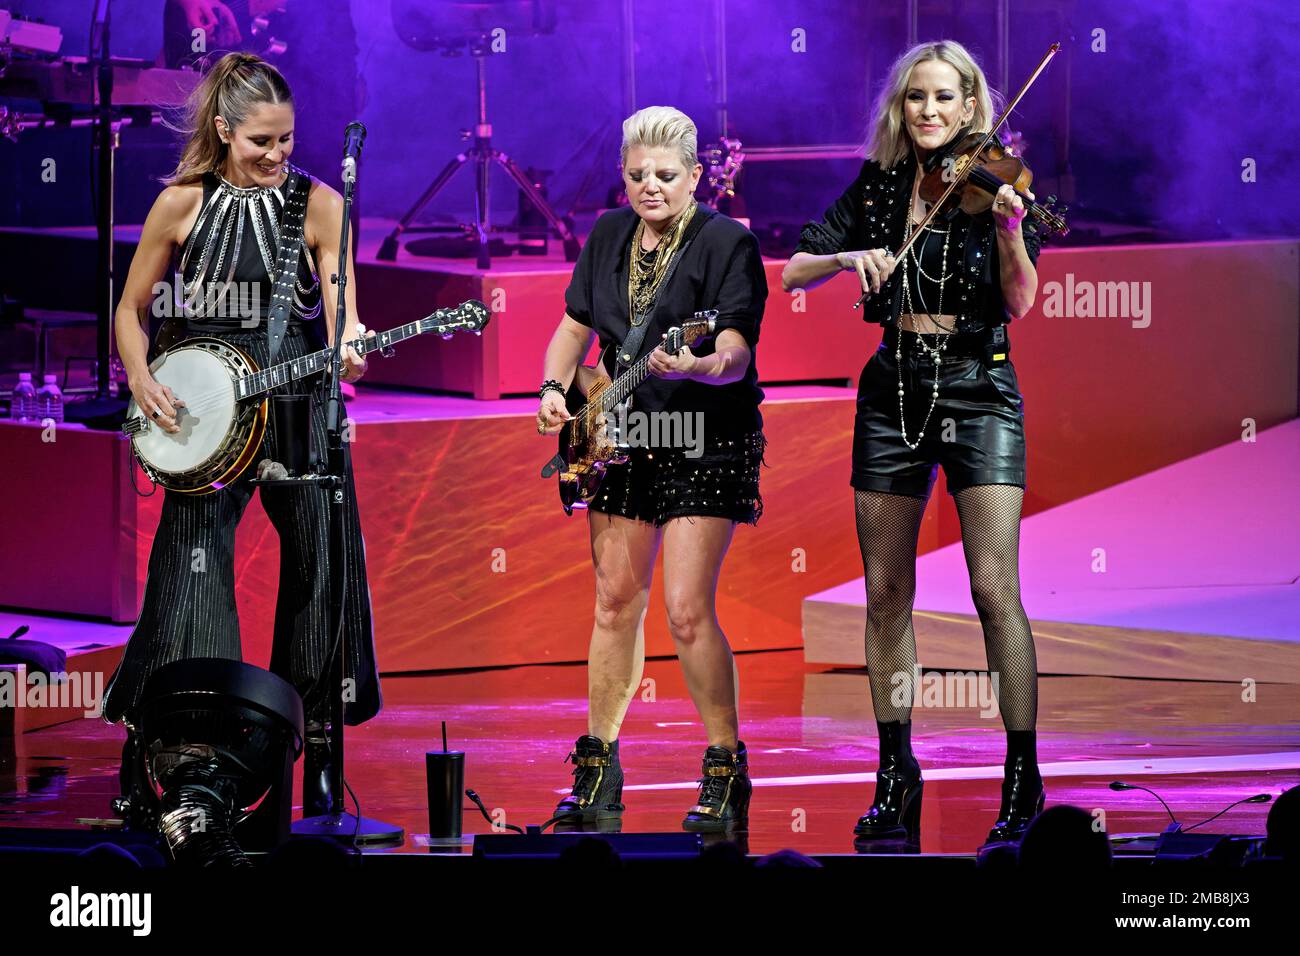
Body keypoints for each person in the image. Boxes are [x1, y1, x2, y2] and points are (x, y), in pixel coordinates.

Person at [102, 52, 381, 818]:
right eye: (261, 141)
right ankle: (180, 749)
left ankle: (313, 745)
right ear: (224, 131)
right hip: (203, 417)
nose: (277, 154)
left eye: (287, 139)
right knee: (190, 583)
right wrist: (142, 379)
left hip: (294, 400)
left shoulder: (320, 203)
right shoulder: (182, 203)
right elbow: (131, 313)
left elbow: (341, 305)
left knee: (321, 572)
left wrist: (349, 342)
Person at [782, 39, 1047, 846]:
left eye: (943, 98)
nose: (927, 112)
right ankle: (896, 768)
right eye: (913, 99)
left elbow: (1022, 300)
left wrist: (1009, 233)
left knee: (993, 587)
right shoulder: (879, 185)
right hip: (892, 389)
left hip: (980, 385)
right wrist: (842, 255)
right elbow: (791, 270)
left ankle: (1022, 773)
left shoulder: (994, 186)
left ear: (972, 107)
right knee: (885, 590)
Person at [536, 106, 768, 832]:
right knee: (613, 603)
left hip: (705, 439)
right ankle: (598, 766)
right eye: (637, 175)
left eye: (666, 176)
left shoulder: (729, 243)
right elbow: (575, 326)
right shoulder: (606, 234)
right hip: (621, 435)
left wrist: (701, 364)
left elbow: (735, 349)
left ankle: (726, 766)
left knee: (687, 611)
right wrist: (552, 388)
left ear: (697, 176)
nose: (650, 187)